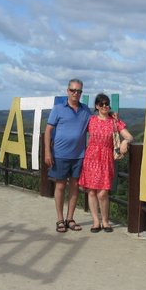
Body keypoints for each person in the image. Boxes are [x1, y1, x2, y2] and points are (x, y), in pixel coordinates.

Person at [78, 93, 134, 232]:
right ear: (96, 106)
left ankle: (105, 220)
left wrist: (125, 141)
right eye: (101, 104)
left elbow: (129, 136)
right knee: (91, 192)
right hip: (91, 158)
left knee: (103, 193)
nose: (105, 106)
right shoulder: (90, 120)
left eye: (107, 103)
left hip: (106, 159)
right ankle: (96, 221)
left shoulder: (114, 121)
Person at [44, 78, 91, 233]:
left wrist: (112, 115)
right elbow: (48, 131)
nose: (75, 93)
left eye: (79, 91)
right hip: (60, 154)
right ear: (67, 91)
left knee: (75, 186)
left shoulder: (85, 110)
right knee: (60, 186)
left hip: (79, 155)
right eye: (73, 90)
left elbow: (98, 124)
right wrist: (47, 151)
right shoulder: (58, 108)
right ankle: (59, 219)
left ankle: (70, 218)